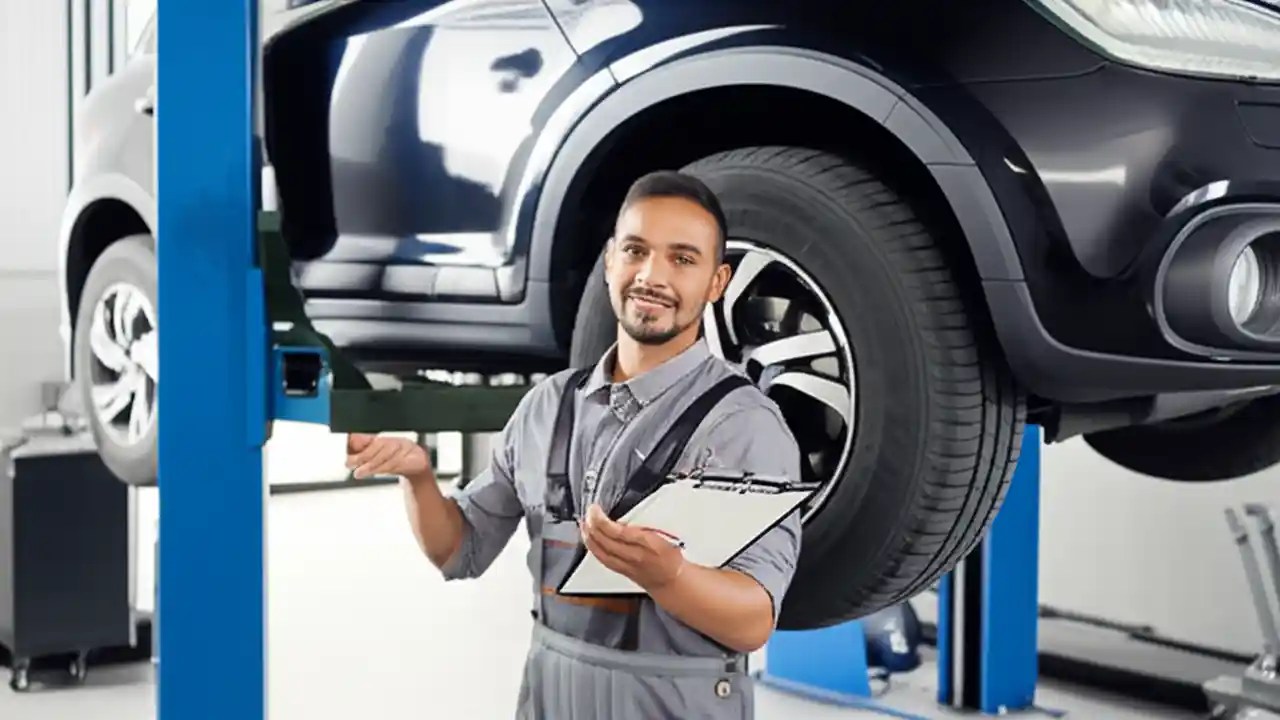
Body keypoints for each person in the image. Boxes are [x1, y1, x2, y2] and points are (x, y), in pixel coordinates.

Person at [345, 170, 804, 719]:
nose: (652, 275)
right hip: (550, 694)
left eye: (683, 259)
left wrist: (671, 578)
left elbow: (754, 621)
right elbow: (459, 551)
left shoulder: (743, 425)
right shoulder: (547, 406)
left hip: (671, 703)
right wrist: (419, 479)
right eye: (636, 250)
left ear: (716, 282)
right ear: (610, 261)